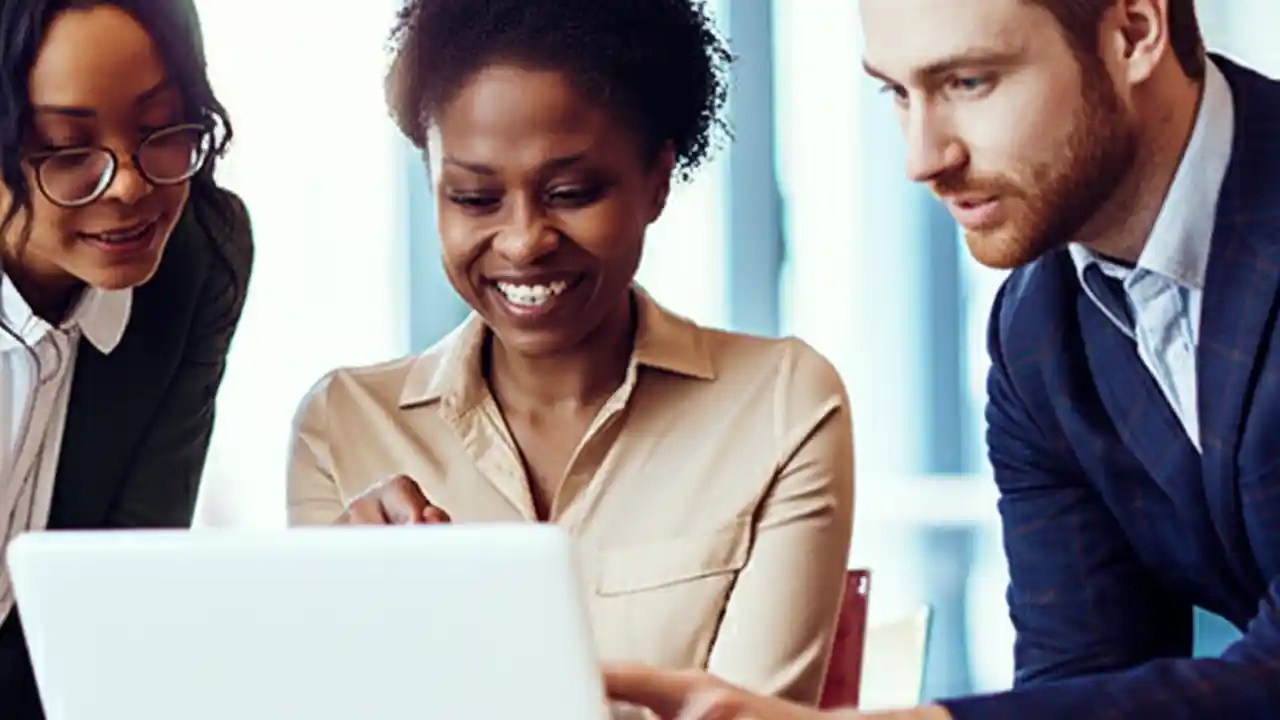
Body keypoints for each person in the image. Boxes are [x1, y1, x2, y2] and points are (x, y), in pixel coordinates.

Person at [597, 0, 1280, 717]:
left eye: (970, 82)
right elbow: (1079, 681)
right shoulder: (1038, 331)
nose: (923, 159)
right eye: (896, 92)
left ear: (1135, 33)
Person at [286, 0, 854, 710]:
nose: (523, 241)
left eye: (572, 193)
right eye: (473, 196)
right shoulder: (344, 425)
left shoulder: (781, 404)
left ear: (656, 180)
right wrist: (329, 620)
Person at [0, 1, 253, 717]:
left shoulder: (199, 259)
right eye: (65, 149)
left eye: (162, 129)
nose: (131, 186)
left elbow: (124, 594)